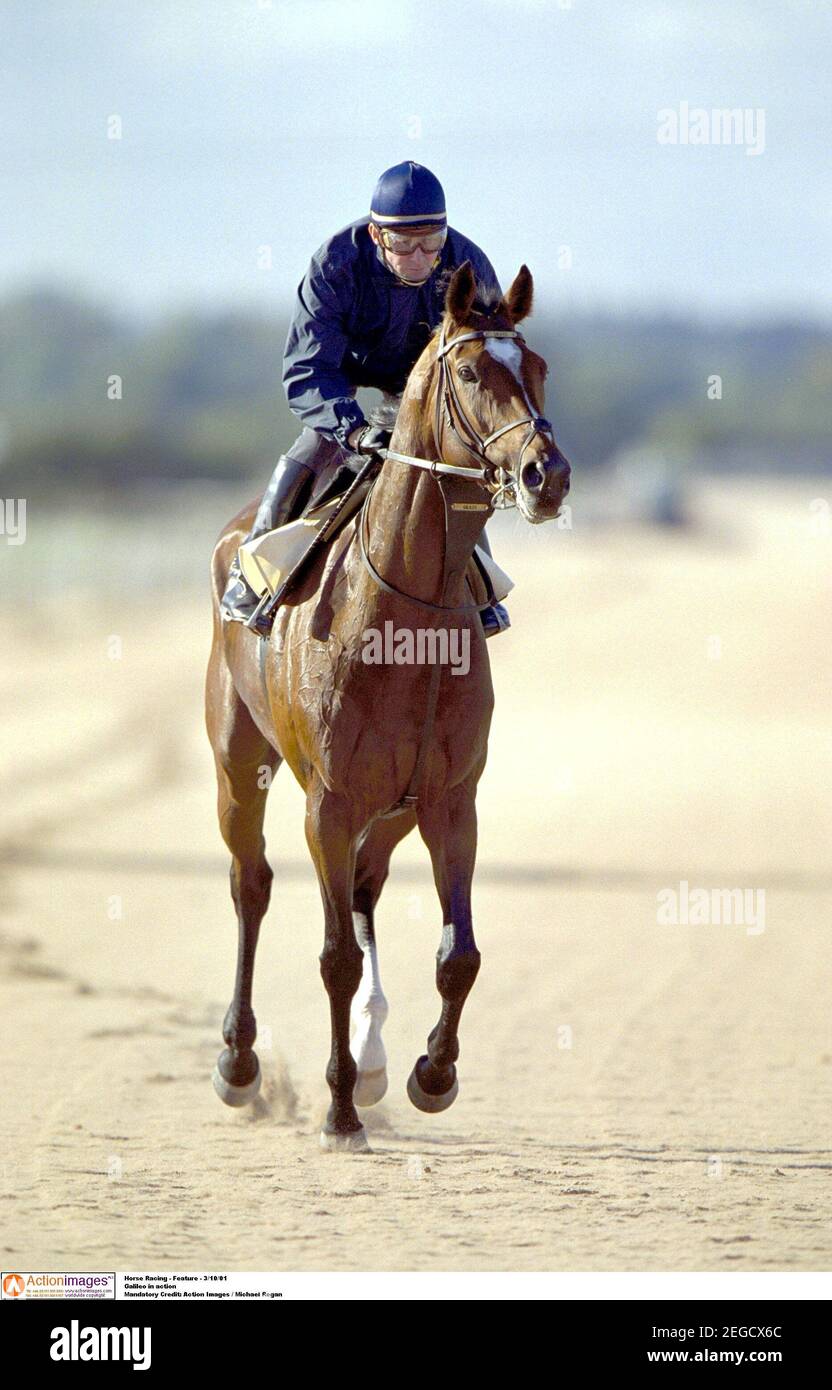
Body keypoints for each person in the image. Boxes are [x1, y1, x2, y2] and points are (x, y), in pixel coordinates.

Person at [221, 160, 511, 638]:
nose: (419, 258)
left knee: (457, 457)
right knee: (317, 445)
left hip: (423, 375)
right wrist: (352, 428)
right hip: (342, 368)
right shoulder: (334, 264)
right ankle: (252, 573)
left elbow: (486, 355)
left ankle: (481, 581)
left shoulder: (469, 263)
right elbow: (306, 369)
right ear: (377, 235)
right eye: (403, 245)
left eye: (431, 244)